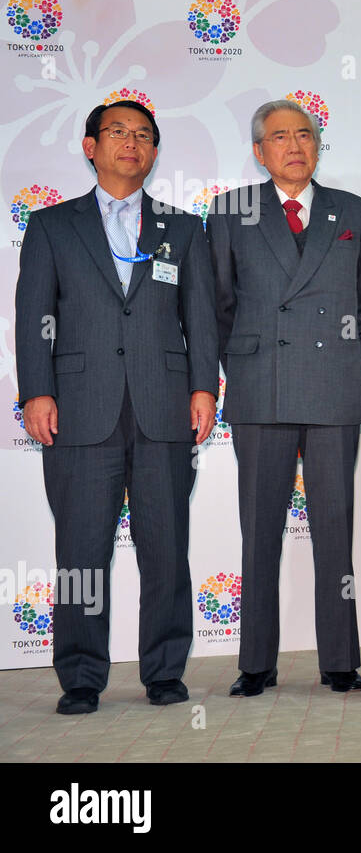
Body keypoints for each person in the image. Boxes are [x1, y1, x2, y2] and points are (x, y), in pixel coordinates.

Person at [15, 100, 218, 714]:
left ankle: (164, 670)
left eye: (143, 135)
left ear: (155, 153)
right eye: (117, 132)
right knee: (81, 550)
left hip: (163, 407)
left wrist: (204, 387)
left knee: (166, 546)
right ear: (89, 145)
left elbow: (201, 319)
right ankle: (80, 676)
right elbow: (32, 317)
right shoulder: (53, 225)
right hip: (79, 407)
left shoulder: (182, 229)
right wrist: (36, 390)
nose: (131, 143)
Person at [208, 99, 361, 695]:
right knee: (259, 530)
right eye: (280, 137)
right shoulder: (229, 211)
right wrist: (250, 358)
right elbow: (218, 304)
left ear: (318, 145)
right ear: (259, 151)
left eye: (304, 135)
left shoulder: (353, 212)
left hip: (331, 392)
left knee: (334, 527)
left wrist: (340, 359)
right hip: (262, 389)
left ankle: (340, 659)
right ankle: (255, 664)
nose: (294, 145)